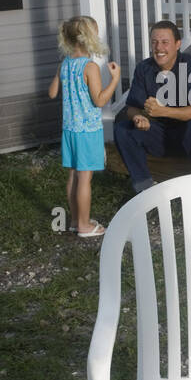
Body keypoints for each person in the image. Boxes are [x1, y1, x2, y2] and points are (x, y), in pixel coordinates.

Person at [113, 20, 191, 224]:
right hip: (160, 134)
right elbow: (132, 108)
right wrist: (139, 117)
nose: (159, 48)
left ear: (177, 44)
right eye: (155, 42)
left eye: (165, 42)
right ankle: (145, 192)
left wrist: (163, 110)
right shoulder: (144, 68)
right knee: (122, 129)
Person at [48, 16, 119, 239]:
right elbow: (99, 100)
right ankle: (84, 225)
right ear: (88, 37)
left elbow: (51, 93)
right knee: (85, 178)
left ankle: (74, 220)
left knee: (73, 175)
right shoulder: (90, 67)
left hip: (69, 130)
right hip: (87, 131)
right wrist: (115, 79)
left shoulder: (65, 64)